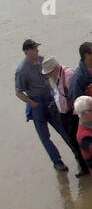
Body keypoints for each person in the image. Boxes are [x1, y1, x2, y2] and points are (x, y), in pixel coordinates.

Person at [14, 39, 78, 174]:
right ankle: (57, 161)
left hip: (50, 98)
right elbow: (19, 92)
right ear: (26, 51)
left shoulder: (42, 60)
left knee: (63, 129)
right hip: (36, 102)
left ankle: (76, 153)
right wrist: (34, 104)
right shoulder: (21, 71)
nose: (37, 51)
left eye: (37, 48)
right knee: (44, 136)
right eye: (34, 49)